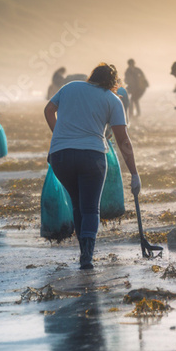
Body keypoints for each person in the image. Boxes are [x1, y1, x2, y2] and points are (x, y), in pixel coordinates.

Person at [44, 63, 139, 269]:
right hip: (92, 157)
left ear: (92, 76)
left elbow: (49, 110)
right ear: (113, 83)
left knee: (78, 204)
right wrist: (134, 173)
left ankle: (83, 251)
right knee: (90, 208)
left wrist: (59, 136)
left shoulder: (70, 87)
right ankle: (86, 255)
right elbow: (123, 140)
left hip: (60, 156)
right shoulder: (112, 99)